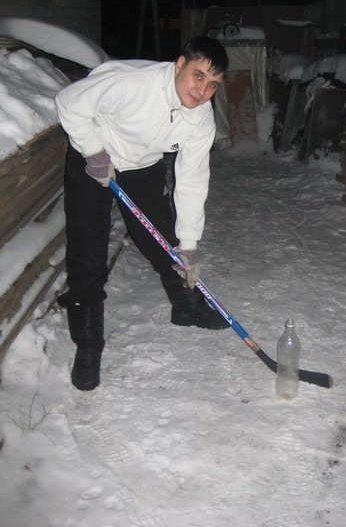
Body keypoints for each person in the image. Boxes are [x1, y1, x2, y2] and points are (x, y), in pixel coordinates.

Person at [55, 36, 230, 391]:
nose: (203, 91)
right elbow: (69, 102)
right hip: (94, 154)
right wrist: (93, 151)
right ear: (180, 65)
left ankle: (186, 306)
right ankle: (88, 345)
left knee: (164, 240)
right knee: (88, 250)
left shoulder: (201, 119)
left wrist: (189, 243)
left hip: (142, 165)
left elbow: (192, 179)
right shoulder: (132, 83)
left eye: (213, 84)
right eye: (198, 76)